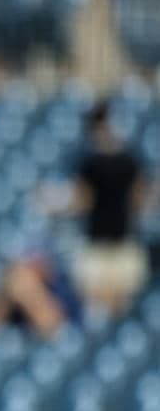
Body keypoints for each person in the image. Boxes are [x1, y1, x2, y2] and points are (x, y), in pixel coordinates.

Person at [70, 100, 149, 315]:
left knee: (105, 307)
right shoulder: (127, 159)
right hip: (114, 240)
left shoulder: (93, 162)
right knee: (112, 307)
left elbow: (82, 201)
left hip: (108, 242)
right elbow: (140, 199)